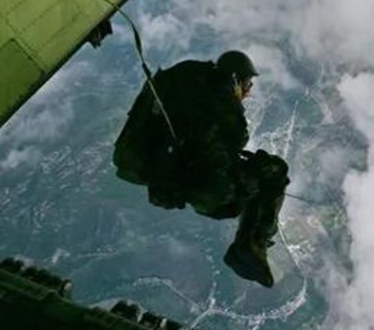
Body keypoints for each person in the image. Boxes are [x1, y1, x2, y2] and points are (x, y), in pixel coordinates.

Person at [113, 50, 289, 288]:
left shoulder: (186, 74)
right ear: (236, 80)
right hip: (192, 184)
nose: (247, 92)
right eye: (247, 84)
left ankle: (247, 243)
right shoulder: (225, 105)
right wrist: (252, 170)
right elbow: (221, 154)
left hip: (144, 166)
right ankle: (251, 245)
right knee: (275, 171)